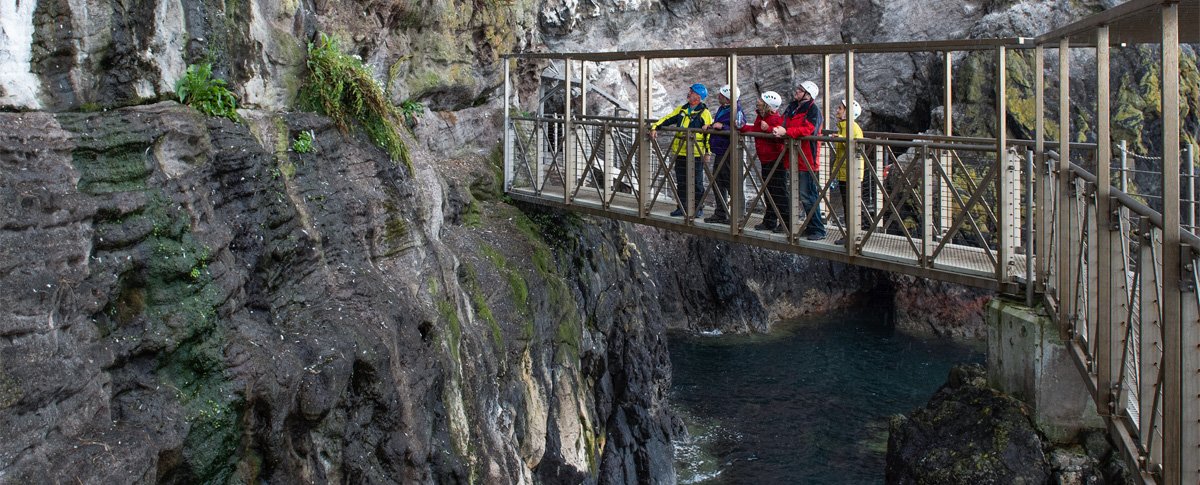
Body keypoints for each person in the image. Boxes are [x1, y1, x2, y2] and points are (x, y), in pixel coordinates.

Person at [650, 83, 714, 218]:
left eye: (691, 91)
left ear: (697, 96)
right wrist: (655, 127)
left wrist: (708, 152)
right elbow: (667, 119)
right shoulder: (682, 109)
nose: (688, 93)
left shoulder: (705, 113)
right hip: (680, 151)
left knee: (697, 182)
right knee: (681, 180)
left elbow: (708, 134)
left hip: (696, 152)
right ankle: (682, 207)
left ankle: (697, 208)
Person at [772, 80, 826, 240]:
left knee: (807, 194)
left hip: (807, 157)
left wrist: (786, 132)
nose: (797, 91)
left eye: (800, 90)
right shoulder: (793, 107)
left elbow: (809, 130)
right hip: (795, 156)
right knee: (801, 193)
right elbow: (783, 122)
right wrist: (776, 130)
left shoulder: (813, 110)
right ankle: (810, 227)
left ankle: (818, 229)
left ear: (808, 94)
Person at [739, 91, 787, 231]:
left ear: (767, 104)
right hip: (767, 159)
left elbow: (780, 134)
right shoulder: (762, 117)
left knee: (779, 192)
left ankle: (785, 223)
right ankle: (770, 221)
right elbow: (755, 129)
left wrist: (769, 129)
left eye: (761, 100)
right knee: (769, 191)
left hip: (776, 160)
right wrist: (741, 127)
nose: (758, 101)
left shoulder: (775, 119)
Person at [703, 85, 747, 224]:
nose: (718, 96)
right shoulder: (724, 108)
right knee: (718, 181)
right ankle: (721, 213)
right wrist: (711, 126)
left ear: (727, 97)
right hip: (721, 149)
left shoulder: (736, 110)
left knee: (730, 182)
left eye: (721, 94)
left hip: (729, 151)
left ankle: (737, 215)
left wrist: (724, 127)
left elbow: (740, 126)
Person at [832, 99, 867, 246]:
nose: (838, 110)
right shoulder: (845, 126)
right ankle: (851, 235)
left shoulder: (851, 127)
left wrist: (840, 138)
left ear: (848, 112)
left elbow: (855, 143)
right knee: (848, 205)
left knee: (850, 205)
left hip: (851, 172)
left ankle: (852, 236)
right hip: (847, 171)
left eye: (840, 108)